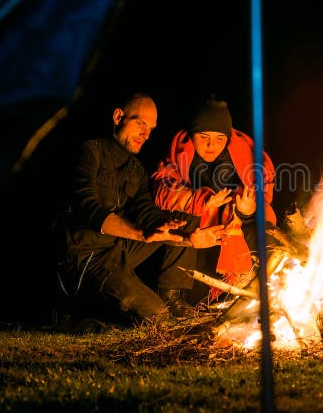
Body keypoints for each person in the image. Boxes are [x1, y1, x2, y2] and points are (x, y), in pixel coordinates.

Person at [56, 93, 223, 325]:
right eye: (140, 124)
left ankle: (173, 298)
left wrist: (188, 239)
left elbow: (149, 214)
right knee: (155, 314)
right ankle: (79, 309)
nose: (145, 135)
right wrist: (140, 233)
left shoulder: (136, 170)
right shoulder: (90, 151)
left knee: (186, 217)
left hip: (118, 251)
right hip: (84, 257)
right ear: (118, 117)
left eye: (151, 129)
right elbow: (87, 207)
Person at [152, 97, 276, 300]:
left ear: (227, 138)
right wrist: (200, 202)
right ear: (192, 135)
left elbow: (263, 198)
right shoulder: (179, 153)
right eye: (203, 137)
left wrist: (246, 212)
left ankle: (252, 294)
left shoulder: (245, 158)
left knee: (268, 236)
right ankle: (172, 296)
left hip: (231, 232)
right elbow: (161, 188)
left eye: (220, 138)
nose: (211, 145)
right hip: (197, 235)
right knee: (182, 217)